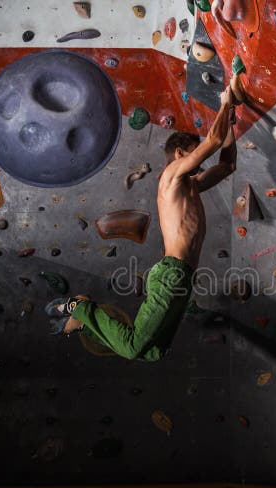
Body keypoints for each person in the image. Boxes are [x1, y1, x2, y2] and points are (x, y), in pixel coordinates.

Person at [54, 82, 238, 361]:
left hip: (181, 276)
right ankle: (77, 308)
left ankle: (85, 322)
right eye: (193, 151)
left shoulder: (192, 185)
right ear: (179, 154)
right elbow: (212, 142)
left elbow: (227, 165)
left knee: (150, 351)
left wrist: (231, 118)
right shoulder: (172, 177)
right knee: (140, 349)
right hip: (173, 274)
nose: (198, 160)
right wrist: (225, 102)